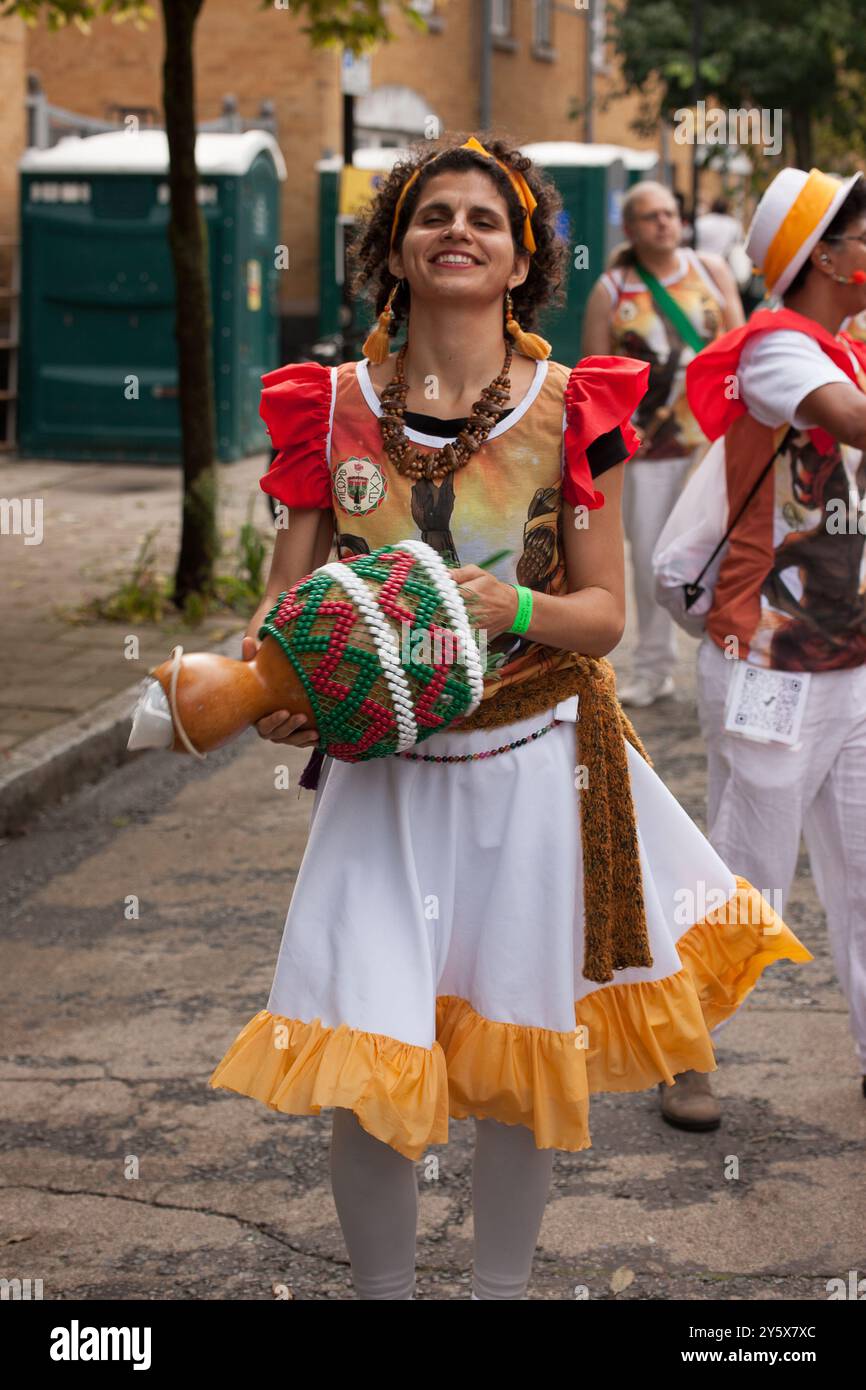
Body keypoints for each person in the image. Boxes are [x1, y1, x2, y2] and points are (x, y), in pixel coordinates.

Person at [208, 134, 810, 1300]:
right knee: (370, 1048)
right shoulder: (327, 406)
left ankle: (499, 1293)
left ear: (520, 253)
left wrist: (514, 599)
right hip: (383, 783)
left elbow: (600, 618)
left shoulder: (571, 402)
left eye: (485, 219)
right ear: (393, 245)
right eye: (432, 214)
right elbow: (279, 611)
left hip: (533, 770)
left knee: (515, 1055)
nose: (457, 233)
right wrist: (279, 685)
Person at [679, 165, 866, 1112]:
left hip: (852, 663)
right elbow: (854, 426)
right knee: (748, 866)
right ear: (825, 257)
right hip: (769, 661)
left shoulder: (843, 347)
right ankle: (684, 1050)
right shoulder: (778, 350)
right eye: (863, 236)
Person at [582, 180, 744, 708]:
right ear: (630, 227)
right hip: (649, 450)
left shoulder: (711, 271)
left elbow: (741, 345)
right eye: (651, 216)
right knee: (654, 557)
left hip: (713, 441)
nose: (664, 223)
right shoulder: (614, 287)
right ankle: (653, 667)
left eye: (671, 213)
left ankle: (726, 657)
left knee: (726, 547)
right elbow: (594, 375)